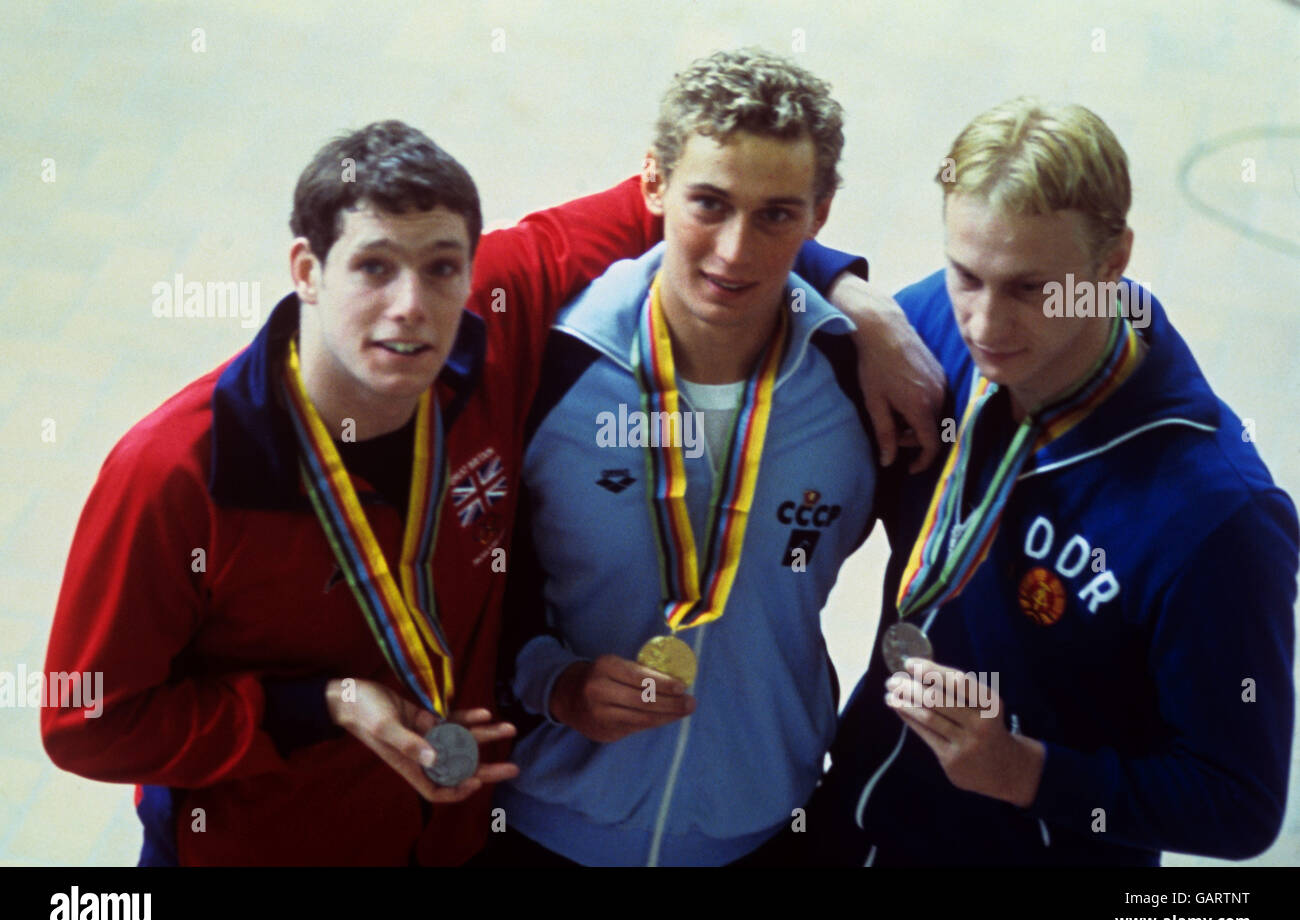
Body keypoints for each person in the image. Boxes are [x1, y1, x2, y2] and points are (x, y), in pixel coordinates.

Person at [41, 119, 942, 866]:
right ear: (307, 270)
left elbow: (694, 203)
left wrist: (846, 288)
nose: (410, 307)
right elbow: (86, 722)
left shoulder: (492, 337)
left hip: (464, 840)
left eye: (440, 268)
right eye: (371, 268)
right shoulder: (174, 471)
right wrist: (314, 705)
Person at [809, 98, 1298, 866]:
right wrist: (848, 295)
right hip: (857, 816)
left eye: (1030, 289)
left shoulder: (1219, 516)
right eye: (966, 273)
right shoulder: (928, 329)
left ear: (1112, 265)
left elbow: (1241, 806)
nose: (984, 325)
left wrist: (1027, 772)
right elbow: (717, 247)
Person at [489, 48, 901, 867]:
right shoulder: (552, 364)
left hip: (759, 834)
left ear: (822, 213)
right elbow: (470, 578)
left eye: (777, 214)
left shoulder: (865, 385)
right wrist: (552, 683)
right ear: (653, 186)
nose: (735, 252)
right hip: (538, 829)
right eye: (708, 203)